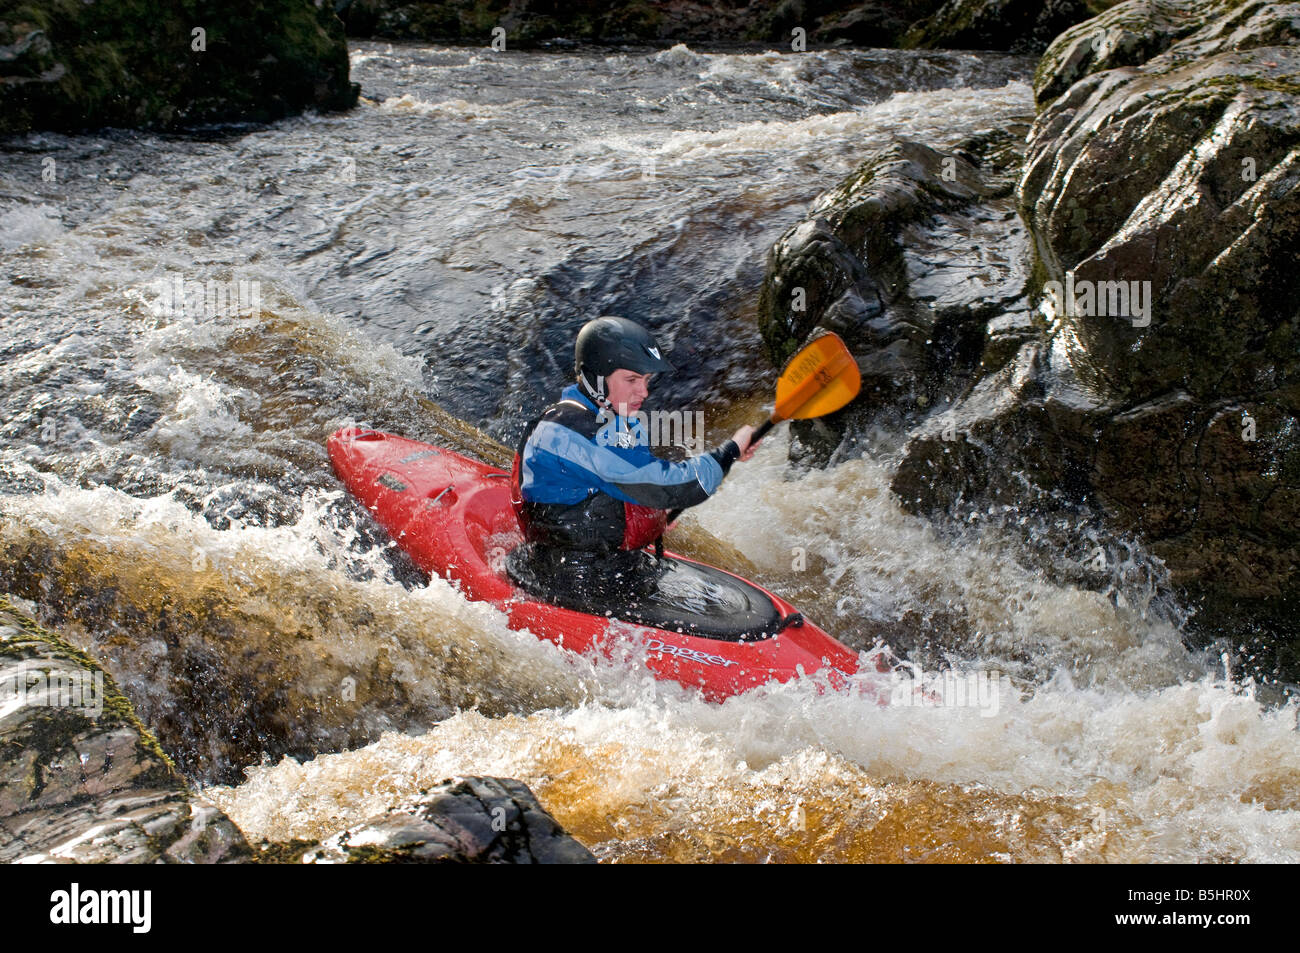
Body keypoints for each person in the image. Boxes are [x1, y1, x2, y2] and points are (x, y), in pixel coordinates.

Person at [507, 315, 759, 612]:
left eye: (647, 381)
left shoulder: (610, 418)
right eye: (632, 380)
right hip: (574, 579)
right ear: (597, 379)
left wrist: (653, 514)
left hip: (614, 565)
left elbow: (630, 483)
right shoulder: (573, 432)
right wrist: (729, 451)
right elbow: (666, 484)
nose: (644, 392)